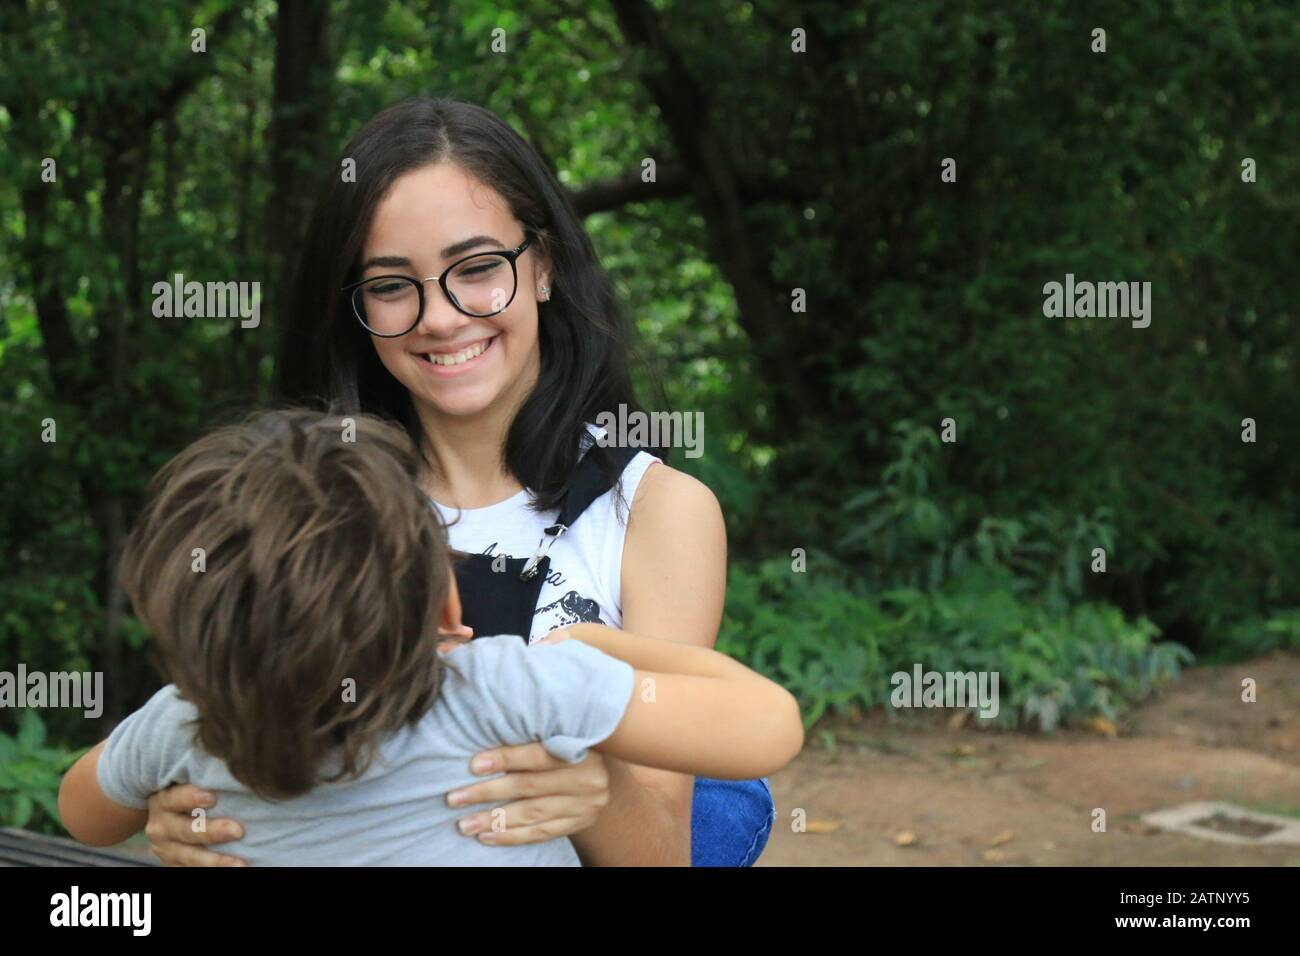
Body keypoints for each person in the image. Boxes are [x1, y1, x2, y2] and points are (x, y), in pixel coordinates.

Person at [141, 96, 776, 867]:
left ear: (543, 265)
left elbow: (661, 855)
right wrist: (181, 813)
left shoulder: (656, 512)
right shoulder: (306, 508)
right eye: (391, 285)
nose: (440, 318)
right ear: (351, 307)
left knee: (725, 805)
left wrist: (597, 786)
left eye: (476, 269)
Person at [58, 410, 803, 865]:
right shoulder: (499, 686)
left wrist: (161, 794)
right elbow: (770, 727)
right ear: (447, 603)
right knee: (732, 793)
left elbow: (82, 812)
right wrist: (601, 648)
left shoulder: (186, 722)